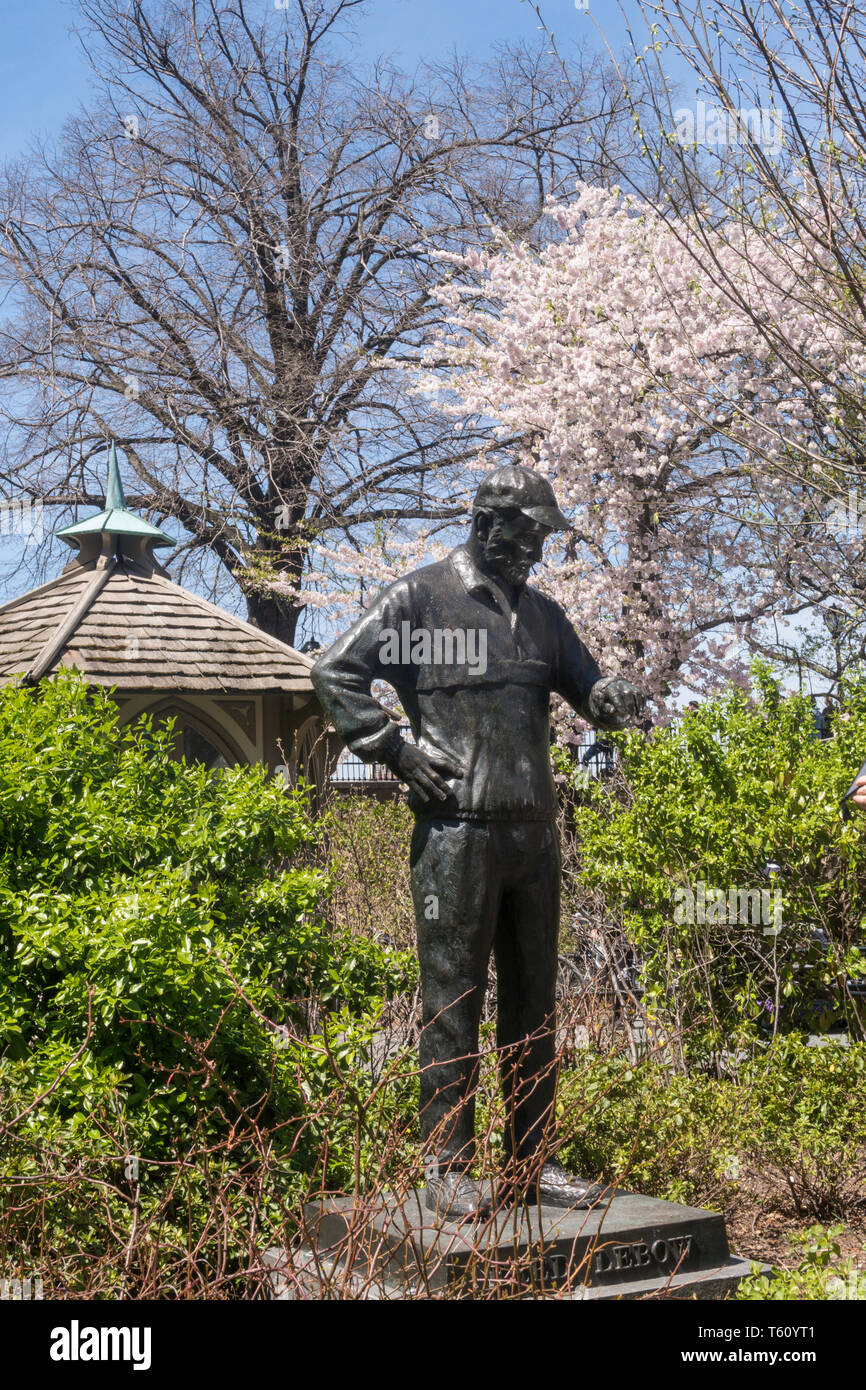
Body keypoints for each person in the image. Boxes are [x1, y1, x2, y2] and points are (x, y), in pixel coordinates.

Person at [312, 464, 645, 1217]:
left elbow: (587, 688)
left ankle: (534, 1163)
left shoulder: (546, 616)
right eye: (527, 537)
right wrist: (393, 749)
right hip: (455, 833)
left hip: (533, 835)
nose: (537, 553)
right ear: (487, 524)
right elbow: (335, 674)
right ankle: (447, 1165)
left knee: (535, 1002)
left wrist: (610, 699)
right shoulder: (421, 599)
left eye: (542, 540)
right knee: (452, 997)